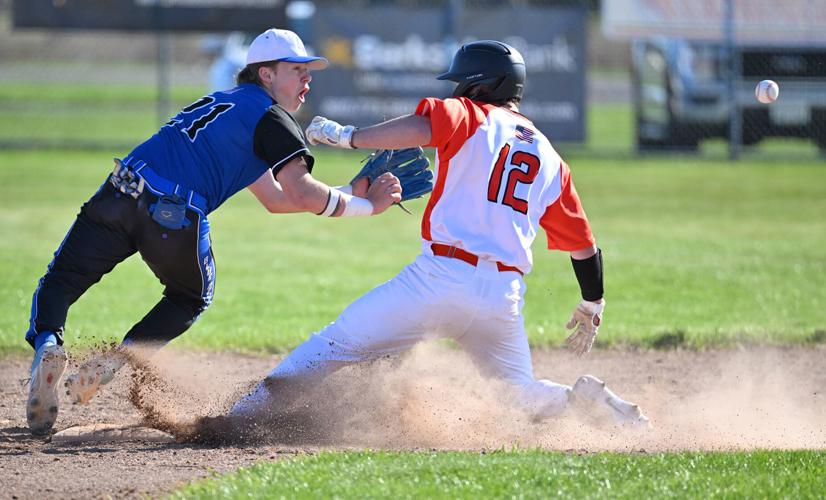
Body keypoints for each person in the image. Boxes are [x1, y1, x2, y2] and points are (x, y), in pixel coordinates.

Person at [228, 40, 649, 428]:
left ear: (481, 84)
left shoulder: (472, 114)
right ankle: (593, 405)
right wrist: (593, 303)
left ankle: (237, 417)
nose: (457, 91)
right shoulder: (551, 158)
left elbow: (422, 126)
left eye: (463, 83)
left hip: (440, 279)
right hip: (503, 294)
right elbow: (582, 245)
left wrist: (347, 137)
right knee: (518, 392)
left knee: (334, 344)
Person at [24, 28, 403, 436]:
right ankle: (111, 363)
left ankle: (47, 345)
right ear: (266, 74)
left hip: (121, 189)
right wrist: (367, 207)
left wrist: (350, 190)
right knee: (189, 297)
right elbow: (299, 190)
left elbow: (276, 199)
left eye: (308, 71)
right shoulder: (271, 117)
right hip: (171, 214)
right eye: (297, 70)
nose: (307, 79)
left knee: (61, 280)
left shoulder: (225, 102)